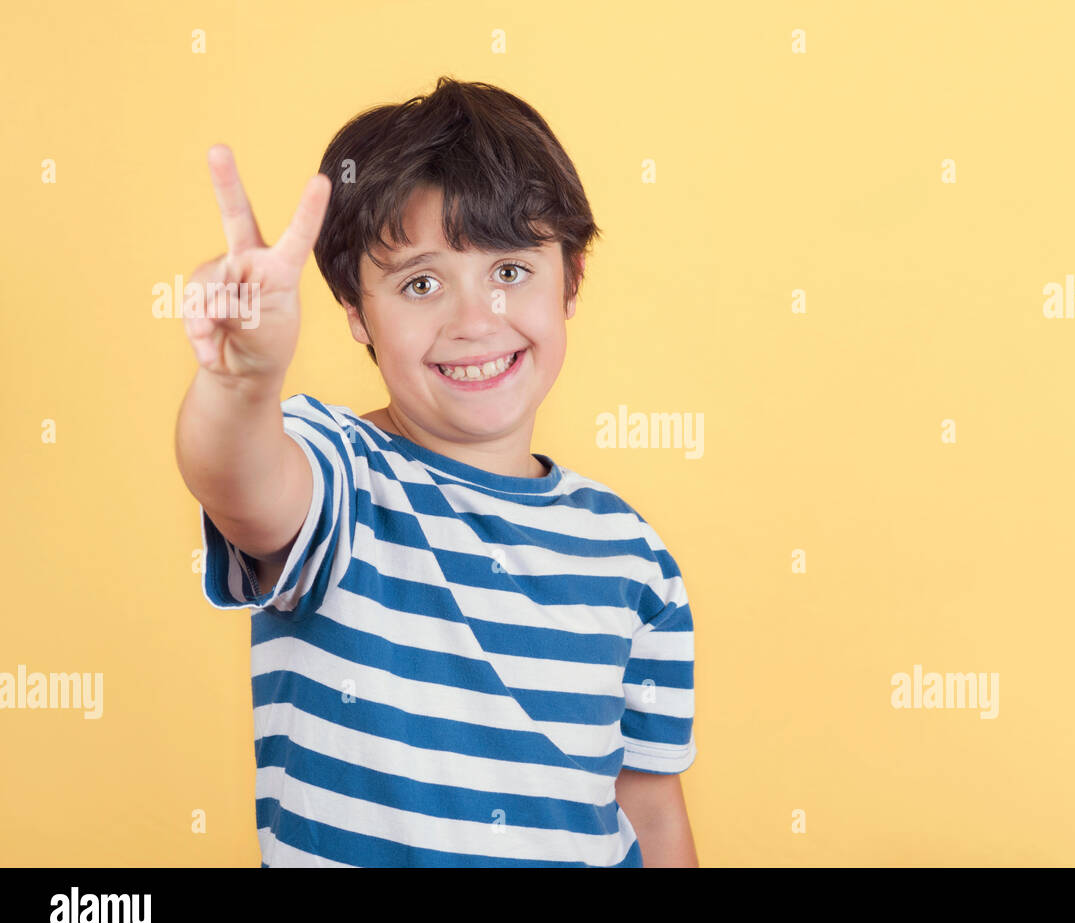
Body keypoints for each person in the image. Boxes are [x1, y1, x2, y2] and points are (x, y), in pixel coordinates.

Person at [174, 77, 697, 867]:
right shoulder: (341, 476)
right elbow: (241, 486)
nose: (475, 320)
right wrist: (239, 385)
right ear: (357, 312)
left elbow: (651, 811)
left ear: (572, 279)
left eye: (511, 270)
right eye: (421, 282)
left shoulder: (633, 554)